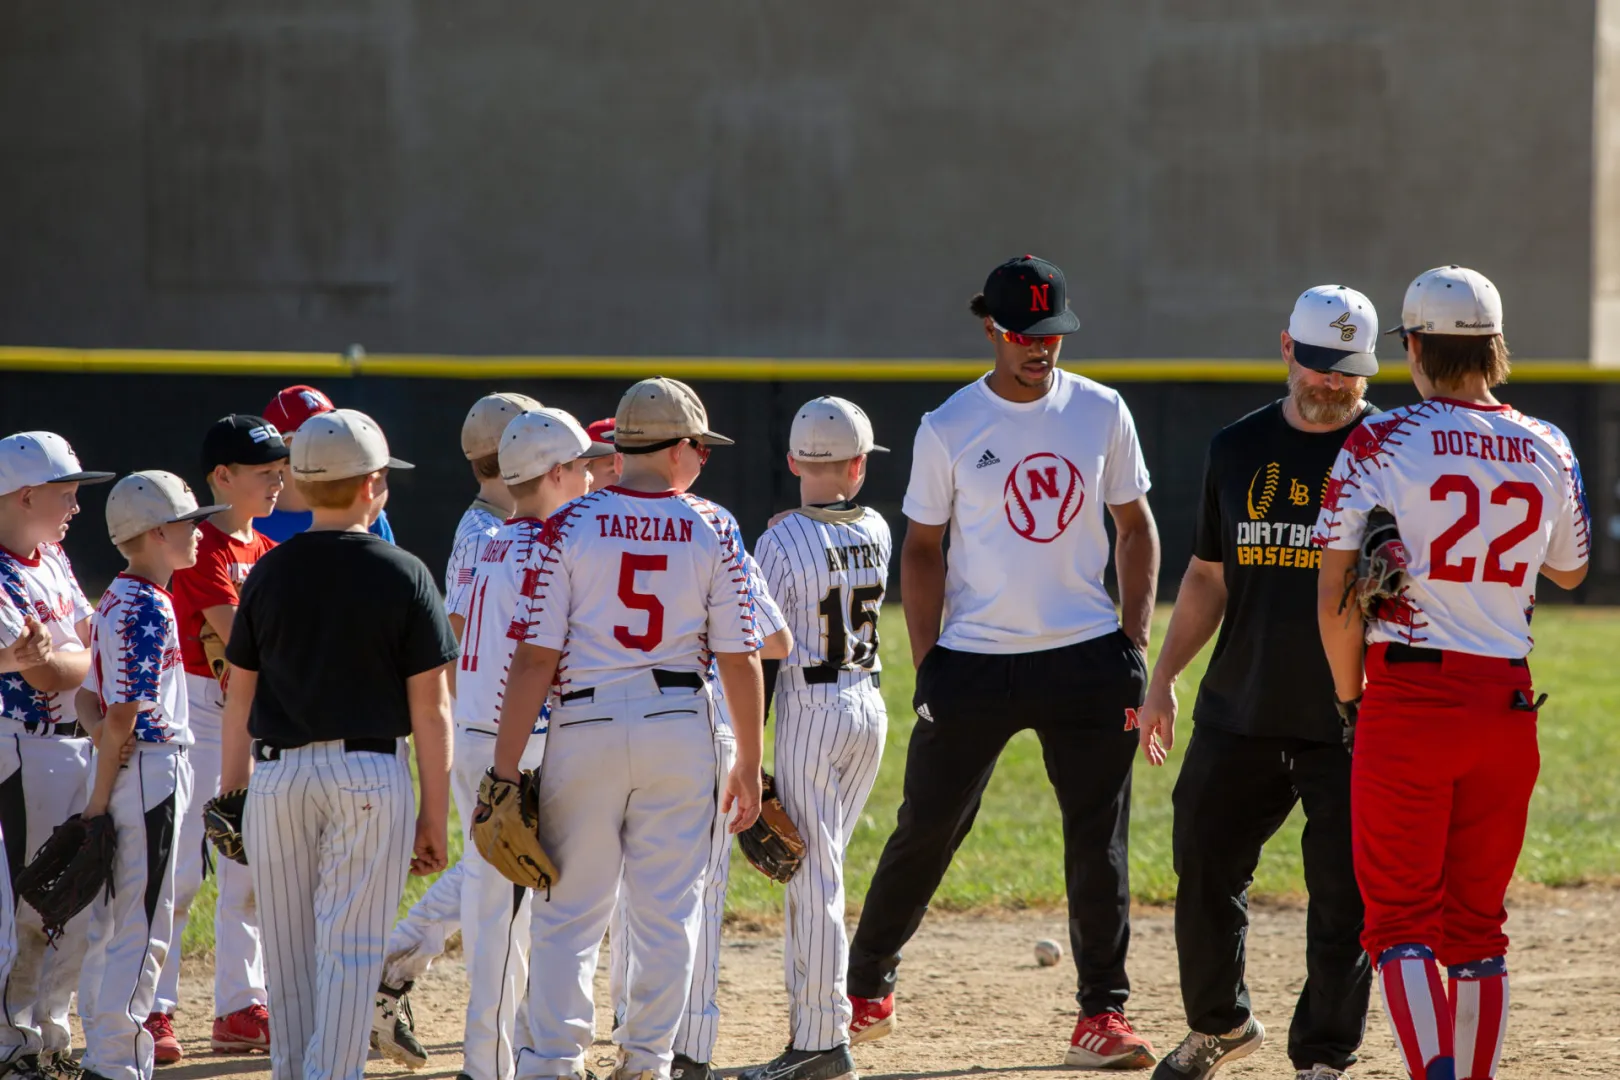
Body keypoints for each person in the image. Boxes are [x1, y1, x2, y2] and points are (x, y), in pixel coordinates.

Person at [846, 256, 1160, 1069]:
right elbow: (921, 548)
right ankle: (864, 987)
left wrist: (1133, 641)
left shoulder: (1100, 411)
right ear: (991, 328)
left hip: (1089, 661)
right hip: (975, 664)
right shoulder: (949, 425)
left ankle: (1103, 1015)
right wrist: (930, 660)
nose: (1040, 350)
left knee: (1101, 842)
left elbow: (1136, 527)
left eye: (1051, 335)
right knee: (928, 828)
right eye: (1023, 335)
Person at [1314, 266, 1590, 1080]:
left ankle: (1430, 1071)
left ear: (1415, 352)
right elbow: (1570, 571)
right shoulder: (1549, 443)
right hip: (1506, 701)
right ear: (1495, 349)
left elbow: (1333, 594)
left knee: (1399, 921)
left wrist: (1348, 700)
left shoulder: (1379, 439)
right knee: (1478, 927)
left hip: (1409, 694)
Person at [492, 377, 766, 1080]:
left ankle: (551, 1063)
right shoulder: (715, 525)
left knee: (568, 911)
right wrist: (749, 763)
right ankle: (646, 1061)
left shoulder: (571, 523)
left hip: (584, 721)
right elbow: (740, 658)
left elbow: (533, 660)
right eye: (701, 446)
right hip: (680, 724)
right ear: (675, 451)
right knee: (668, 913)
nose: (704, 458)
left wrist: (503, 769)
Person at [1137, 287, 1378, 1080]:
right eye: (1318, 365)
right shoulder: (1236, 447)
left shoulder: (1387, 450)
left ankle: (1324, 1057)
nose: (1330, 384)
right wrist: (1165, 676)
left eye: (1347, 371)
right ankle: (1222, 1024)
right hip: (1240, 706)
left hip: (1353, 716)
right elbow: (1209, 576)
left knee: (1344, 895)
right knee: (1203, 862)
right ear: (1286, 349)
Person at [218, 409, 456, 1080]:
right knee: (351, 951)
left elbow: (239, 693)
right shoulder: (404, 572)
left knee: (289, 959)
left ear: (296, 480)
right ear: (372, 484)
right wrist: (434, 814)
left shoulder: (266, 572)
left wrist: (231, 792)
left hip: (276, 779)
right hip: (369, 775)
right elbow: (431, 708)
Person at [373, 391, 542, 1069]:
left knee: (496, 877)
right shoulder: (493, 533)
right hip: (494, 725)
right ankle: (494, 1050)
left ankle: (392, 968)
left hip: (482, 721)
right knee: (506, 894)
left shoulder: (485, 524)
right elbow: (466, 638)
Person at [735, 396, 891, 1080]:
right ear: (859, 466)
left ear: (794, 460)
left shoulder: (777, 539)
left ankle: (821, 1041)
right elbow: (835, 538)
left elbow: (762, 648)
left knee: (813, 881)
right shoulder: (881, 527)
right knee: (822, 871)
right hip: (870, 710)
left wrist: (753, 754)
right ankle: (819, 1032)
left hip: (809, 704)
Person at [451, 407, 602, 1080]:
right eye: (586, 465)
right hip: (524, 747)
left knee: (494, 918)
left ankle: (492, 1062)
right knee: (533, 919)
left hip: (475, 734)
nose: (593, 476)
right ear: (561, 472)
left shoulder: (488, 540)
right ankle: (497, 1068)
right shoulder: (553, 546)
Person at [77, 472, 224, 1080]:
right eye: (190, 522)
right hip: (150, 771)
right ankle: (118, 1063)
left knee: (115, 921)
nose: (199, 532)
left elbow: (89, 702)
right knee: (144, 922)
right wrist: (103, 791)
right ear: (158, 532)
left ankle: (102, 1052)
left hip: (133, 769)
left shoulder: (114, 595)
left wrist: (105, 771)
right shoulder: (148, 604)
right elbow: (120, 712)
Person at [151, 415, 288, 1062]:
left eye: (280, 470)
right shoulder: (201, 546)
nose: (278, 482)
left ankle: (241, 1005)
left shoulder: (263, 551)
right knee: (180, 869)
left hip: (249, 712)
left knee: (249, 868)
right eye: (264, 472)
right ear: (221, 476)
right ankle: (152, 1007)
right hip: (201, 711)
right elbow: (240, 641)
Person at [0, 432, 112, 1080]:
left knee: (74, 899)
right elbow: (44, 675)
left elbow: (81, 645)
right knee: (28, 902)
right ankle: (14, 1044)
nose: (75, 507)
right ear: (25, 495)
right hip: (21, 748)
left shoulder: (54, 557)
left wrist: (70, 657)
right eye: (66, 494)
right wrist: (77, 659)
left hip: (73, 746)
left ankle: (52, 1038)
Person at [254, 386, 395, 543]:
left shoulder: (364, 510)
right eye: (312, 434)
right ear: (283, 444)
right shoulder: (244, 517)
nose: (330, 442)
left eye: (332, 431)